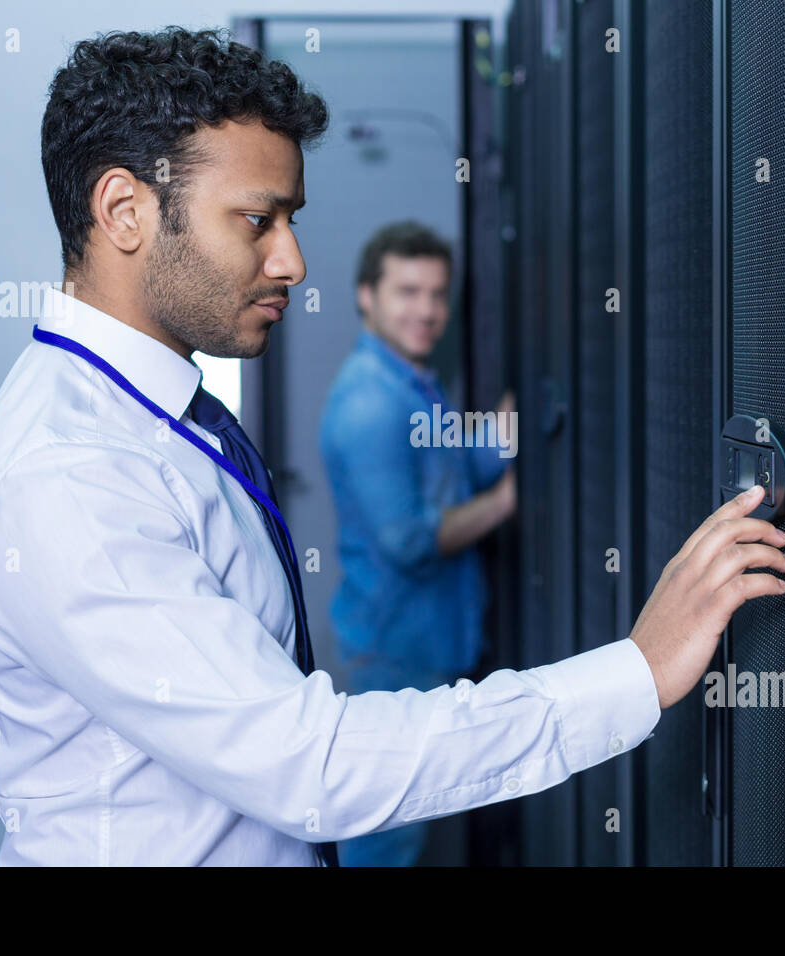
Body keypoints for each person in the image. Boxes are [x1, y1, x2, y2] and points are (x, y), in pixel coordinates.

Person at [0, 26, 785, 866]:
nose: (294, 261)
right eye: (257, 220)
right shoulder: (70, 472)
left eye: (292, 220)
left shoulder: (157, 414)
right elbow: (306, 763)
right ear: (125, 211)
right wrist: (636, 671)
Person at [319, 221, 516, 866]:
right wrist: (505, 503)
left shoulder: (412, 384)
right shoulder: (369, 405)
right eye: (407, 292)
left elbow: (458, 465)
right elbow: (409, 540)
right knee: (384, 840)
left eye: (437, 294)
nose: (427, 310)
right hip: (398, 655)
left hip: (431, 647)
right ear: (365, 297)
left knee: (405, 833)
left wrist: (506, 429)